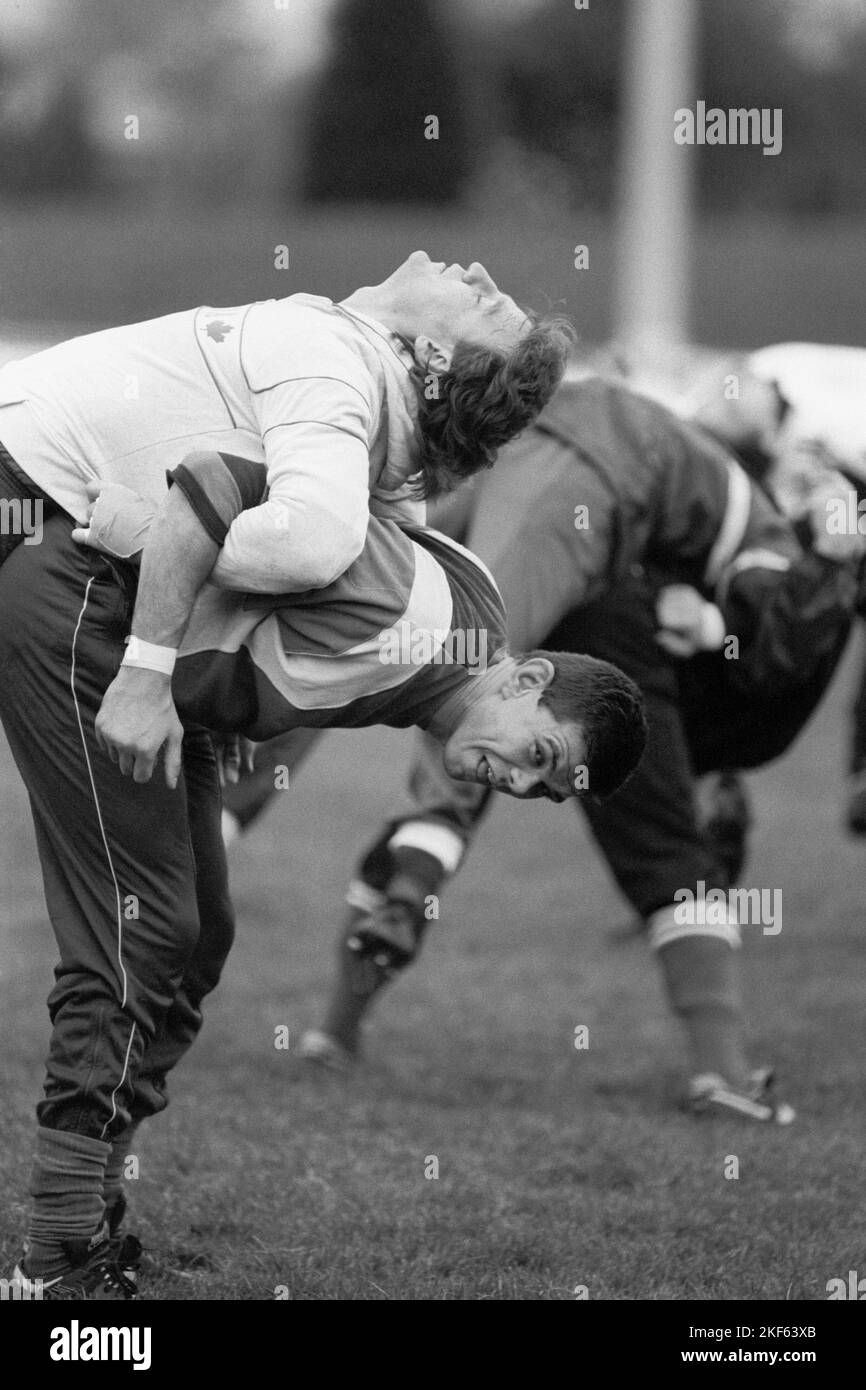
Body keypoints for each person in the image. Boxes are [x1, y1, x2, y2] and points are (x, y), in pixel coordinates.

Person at [0, 449, 645, 1300]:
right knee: (143, 929)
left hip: (140, 662)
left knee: (199, 941)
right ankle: (52, 1261)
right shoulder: (419, 616)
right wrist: (151, 598)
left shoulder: (463, 637)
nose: (518, 783)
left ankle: (96, 1209)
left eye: (543, 791)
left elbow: (296, 594)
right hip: (85, 619)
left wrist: (224, 709)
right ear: (526, 680)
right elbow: (228, 480)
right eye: (540, 755)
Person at [221, 367, 863, 1123]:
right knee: (490, 714)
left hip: (525, 459)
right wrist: (723, 626)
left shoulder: (719, 471)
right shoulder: (761, 524)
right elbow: (780, 636)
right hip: (577, 485)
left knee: (349, 646)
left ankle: (329, 1007)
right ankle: (719, 1071)